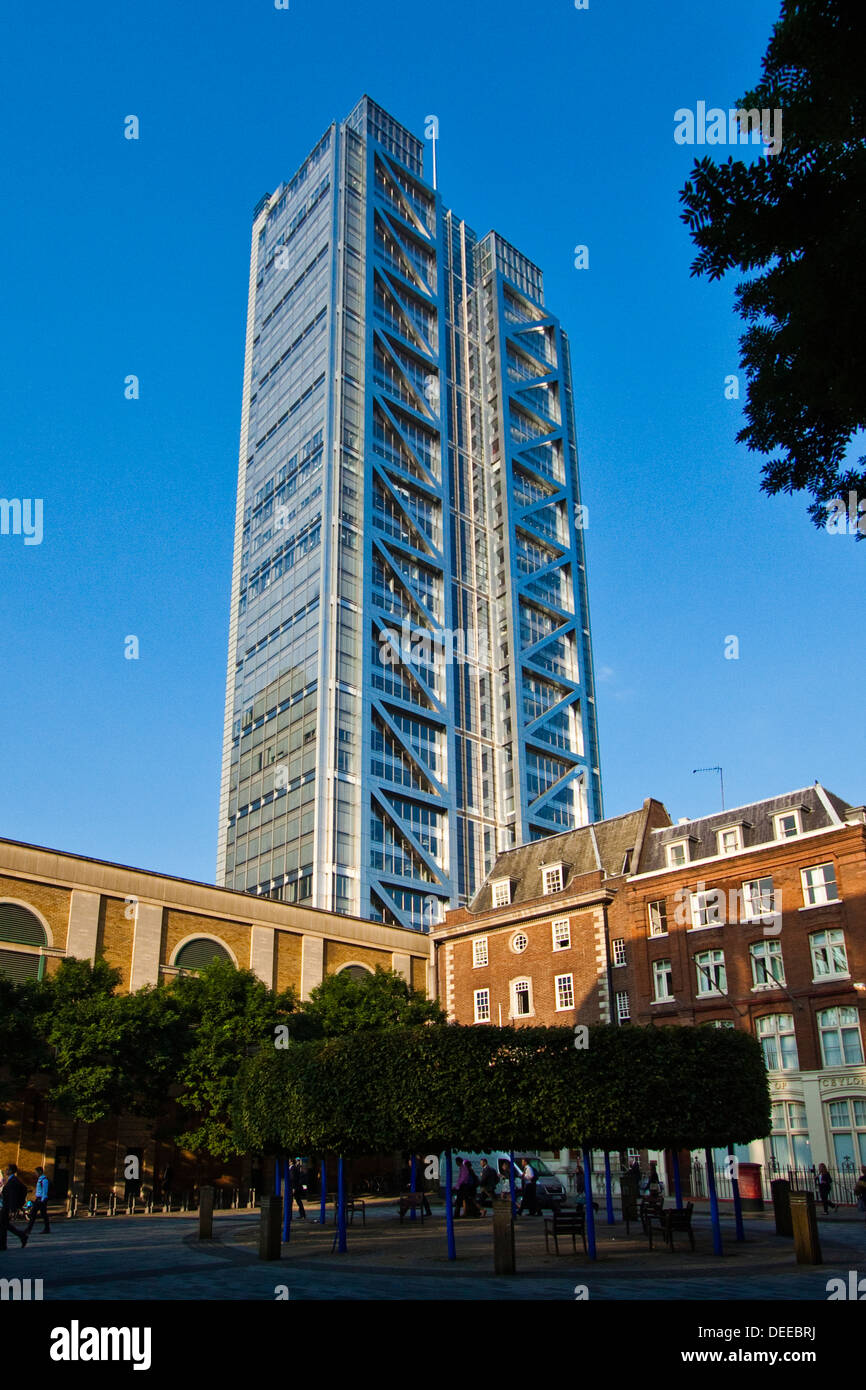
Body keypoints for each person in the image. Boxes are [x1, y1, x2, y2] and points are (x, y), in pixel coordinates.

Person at [0, 1165, 29, 1249]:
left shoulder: (13, 1181)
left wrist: (12, 1209)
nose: (6, 1171)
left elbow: (13, 1196)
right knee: (4, 1224)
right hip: (7, 1205)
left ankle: (3, 1244)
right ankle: (22, 1236)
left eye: (7, 1169)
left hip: (8, 1206)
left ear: (12, 1171)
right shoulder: (12, 1180)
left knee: (2, 1225)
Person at [27, 1167, 51, 1234]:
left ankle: (46, 1228)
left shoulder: (44, 1180)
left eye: (36, 1172)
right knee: (35, 1214)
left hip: (41, 1200)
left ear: (40, 1172)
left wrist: (43, 1200)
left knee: (41, 1214)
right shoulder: (39, 1179)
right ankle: (29, 1229)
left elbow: (45, 1191)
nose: (35, 1173)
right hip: (38, 1199)